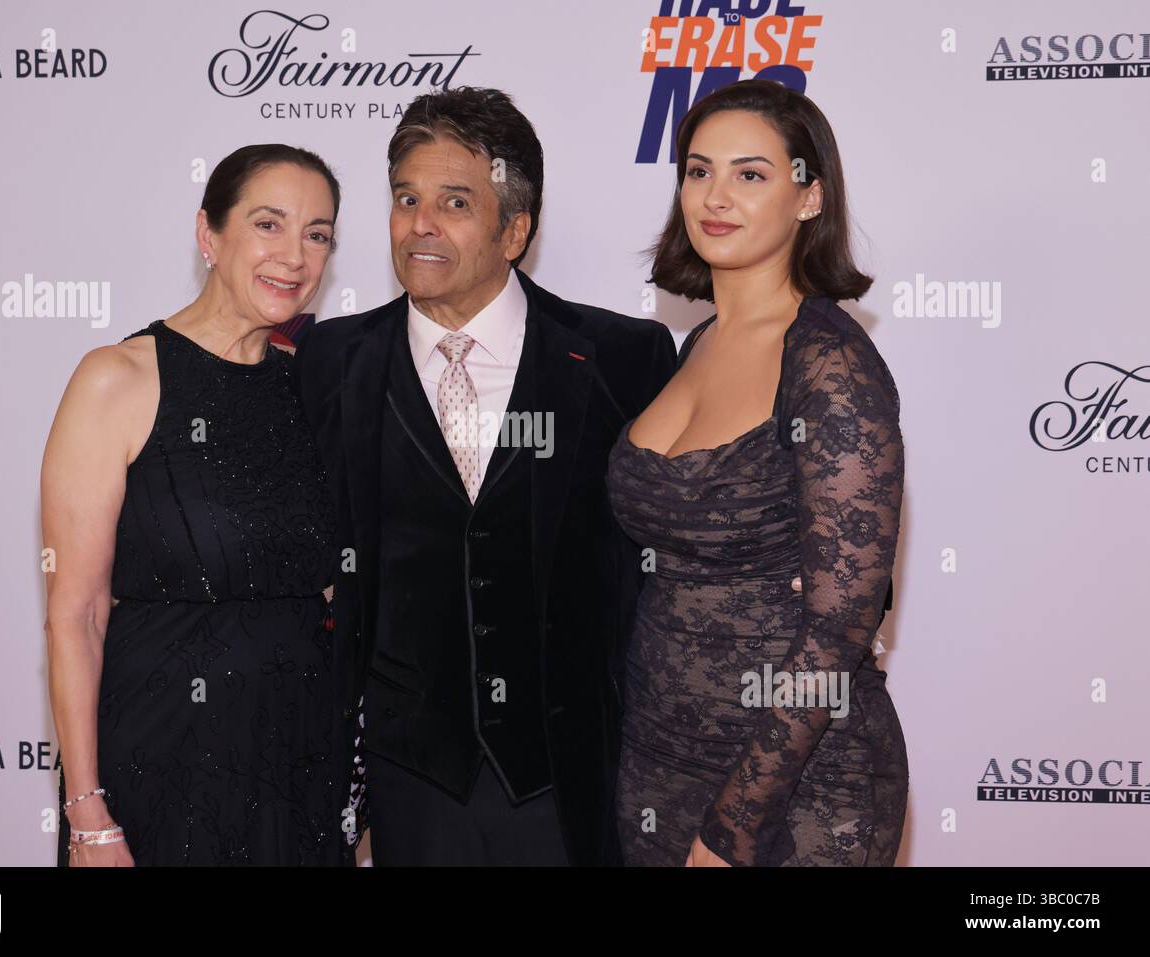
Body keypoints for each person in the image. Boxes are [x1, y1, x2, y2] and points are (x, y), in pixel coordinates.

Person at [295, 87, 676, 865]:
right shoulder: (331, 361)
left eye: (455, 202)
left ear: (516, 229)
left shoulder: (623, 357)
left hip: (569, 783)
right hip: (408, 789)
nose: (420, 224)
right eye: (406, 198)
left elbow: (663, 561)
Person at [608, 79, 908, 866]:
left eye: (751, 174)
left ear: (809, 198)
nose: (715, 196)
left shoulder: (832, 363)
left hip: (799, 782)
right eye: (698, 171)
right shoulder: (696, 340)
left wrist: (734, 824)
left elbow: (841, 625)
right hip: (661, 759)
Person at [41, 144, 362, 865]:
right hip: (161, 763)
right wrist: (87, 809)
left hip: (300, 769)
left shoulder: (311, 389)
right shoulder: (116, 379)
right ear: (208, 235)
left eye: (317, 234)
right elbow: (77, 615)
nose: (295, 255)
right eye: (268, 224)